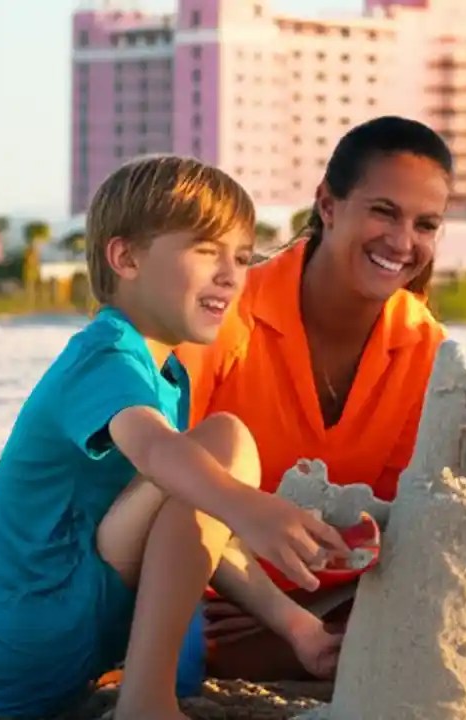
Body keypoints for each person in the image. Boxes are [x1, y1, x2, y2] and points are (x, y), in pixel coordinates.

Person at [0, 156, 347, 720]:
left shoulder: (165, 375)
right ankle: (145, 703)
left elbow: (194, 525)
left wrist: (297, 627)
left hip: (55, 638)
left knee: (206, 475)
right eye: (207, 250)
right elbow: (156, 452)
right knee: (224, 444)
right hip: (32, 621)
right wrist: (251, 507)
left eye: (241, 257)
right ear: (126, 257)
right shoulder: (106, 356)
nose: (232, 275)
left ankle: (149, 688)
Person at [175, 115, 451, 681]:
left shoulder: (427, 347)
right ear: (327, 205)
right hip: (205, 595)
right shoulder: (225, 311)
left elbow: (408, 520)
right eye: (383, 211)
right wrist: (249, 591)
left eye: (425, 224)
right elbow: (156, 476)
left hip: (332, 605)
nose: (403, 242)